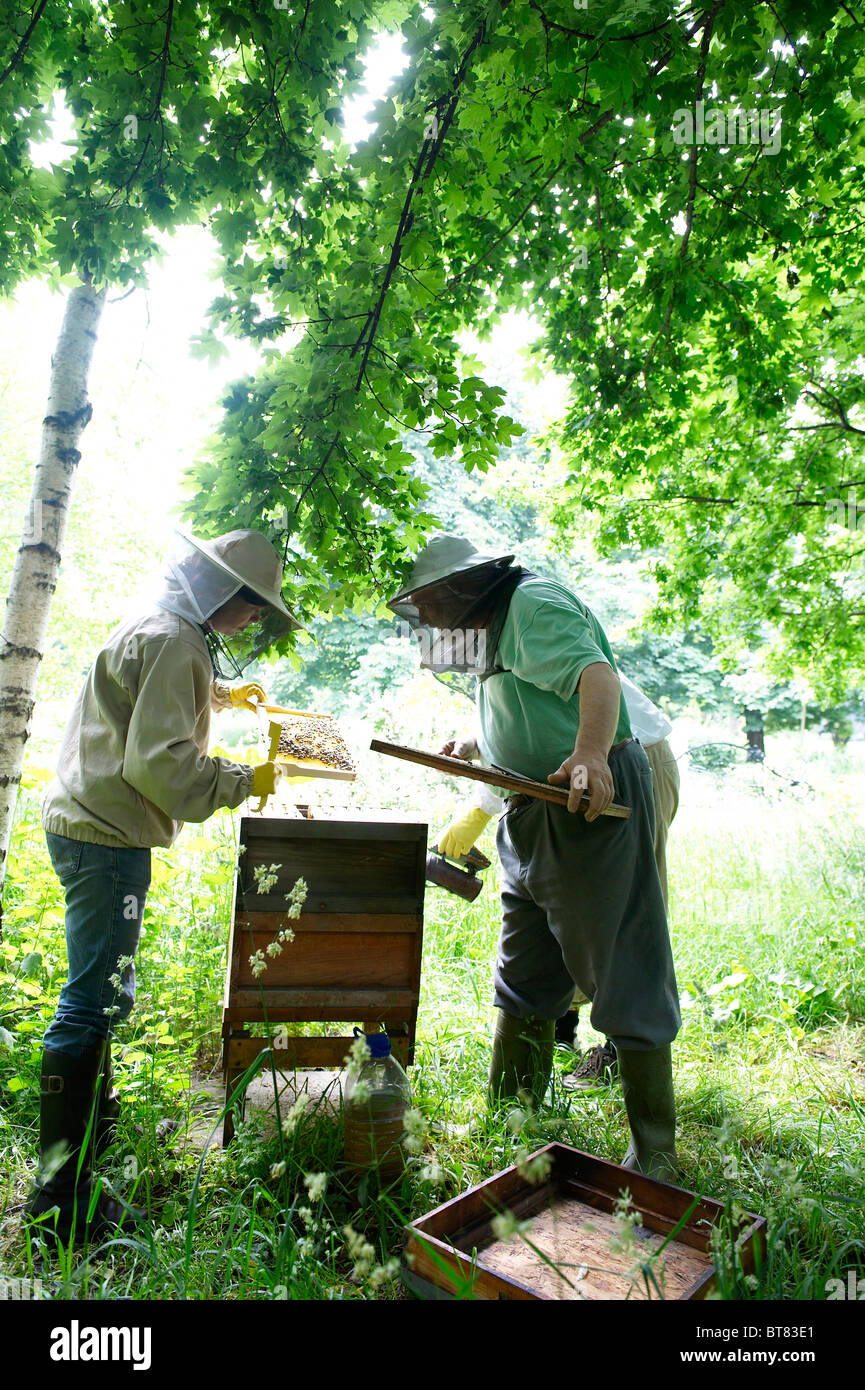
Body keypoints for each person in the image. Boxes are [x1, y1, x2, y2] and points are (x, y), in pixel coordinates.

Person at [27, 528, 296, 1243]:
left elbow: (143, 693)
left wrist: (220, 693)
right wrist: (249, 778)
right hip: (106, 837)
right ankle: (59, 1200)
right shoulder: (178, 642)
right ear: (223, 594)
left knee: (103, 995)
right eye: (253, 605)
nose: (254, 619)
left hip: (87, 822)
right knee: (89, 1004)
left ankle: (84, 1161)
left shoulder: (161, 626)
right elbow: (163, 771)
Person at [389, 535, 681, 1180]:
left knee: (620, 960)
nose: (429, 618)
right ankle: (513, 1113)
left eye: (431, 603)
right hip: (528, 809)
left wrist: (592, 755)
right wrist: (479, 739)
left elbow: (593, 677)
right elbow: (531, 697)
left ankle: (654, 1147)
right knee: (526, 964)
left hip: (580, 804)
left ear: (463, 588)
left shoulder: (531, 604)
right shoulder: (495, 627)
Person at [558, 673, 680, 1088]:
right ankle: (561, 1032)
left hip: (632, 756)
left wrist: (477, 812)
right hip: (590, 764)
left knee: (628, 906)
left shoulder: (536, 618)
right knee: (563, 895)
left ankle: (618, 1052)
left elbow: (594, 686)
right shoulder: (492, 647)